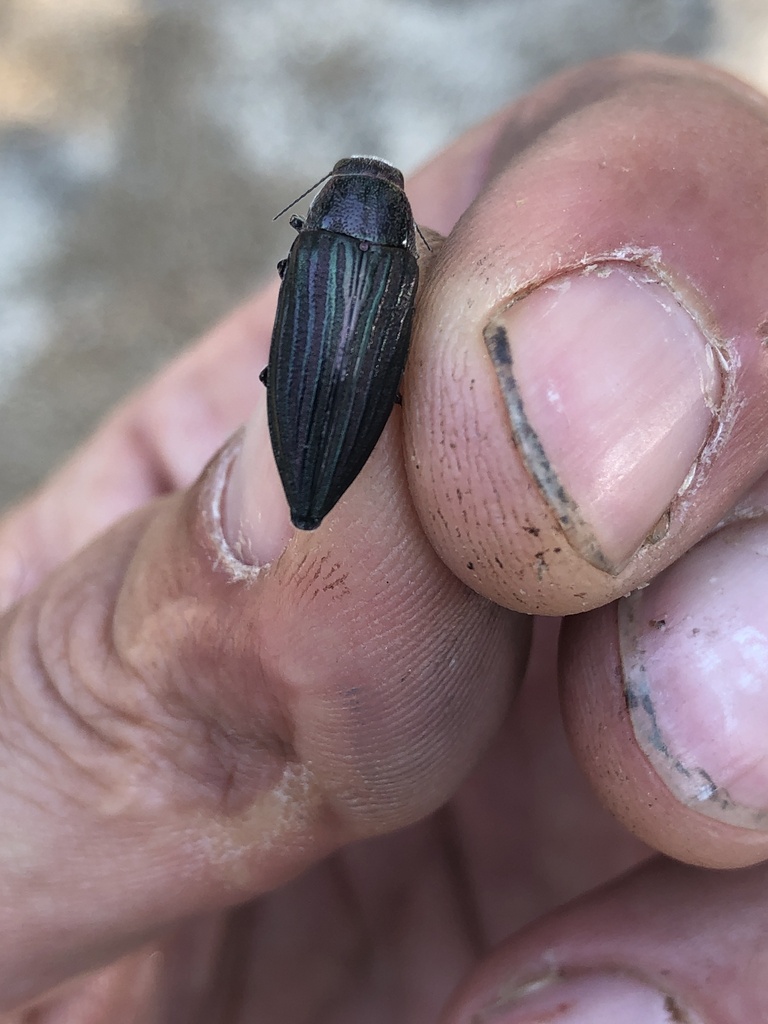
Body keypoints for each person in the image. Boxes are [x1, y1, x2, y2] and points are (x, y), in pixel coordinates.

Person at [2, 52, 765, 1022]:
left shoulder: (316, 258)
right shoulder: (392, 263)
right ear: (391, 229)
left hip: (325, 441)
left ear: (321, 223)